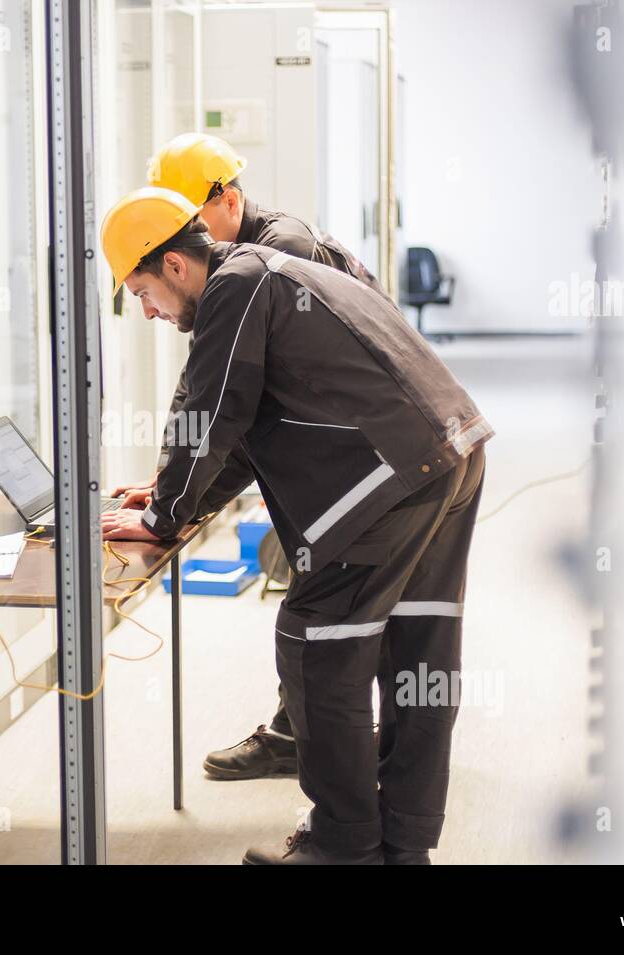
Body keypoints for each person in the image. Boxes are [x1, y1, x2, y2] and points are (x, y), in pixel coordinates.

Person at [99, 187, 492, 865]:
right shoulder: (271, 274)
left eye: (142, 292)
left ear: (174, 266)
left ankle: (342, 843)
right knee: (417, 650)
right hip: (452, 449)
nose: (149, 311)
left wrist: (165, 514)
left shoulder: (235, 287)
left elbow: (211, 412)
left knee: (316, 645)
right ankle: (404, 840)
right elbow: (245, 434)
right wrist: (172, 499)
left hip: (392, 474)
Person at [110, 132, 383, 783]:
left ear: (227, 200)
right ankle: (317, 741)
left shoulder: (266, 258)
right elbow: (240, 416)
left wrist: (174, 508)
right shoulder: (259, 249)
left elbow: (230, 405)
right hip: (358, 450)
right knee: (322, 609)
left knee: (318, 612)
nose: (180, 235)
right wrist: (180, 494)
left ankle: (322, 758)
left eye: (187, 221)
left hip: (358, 459)